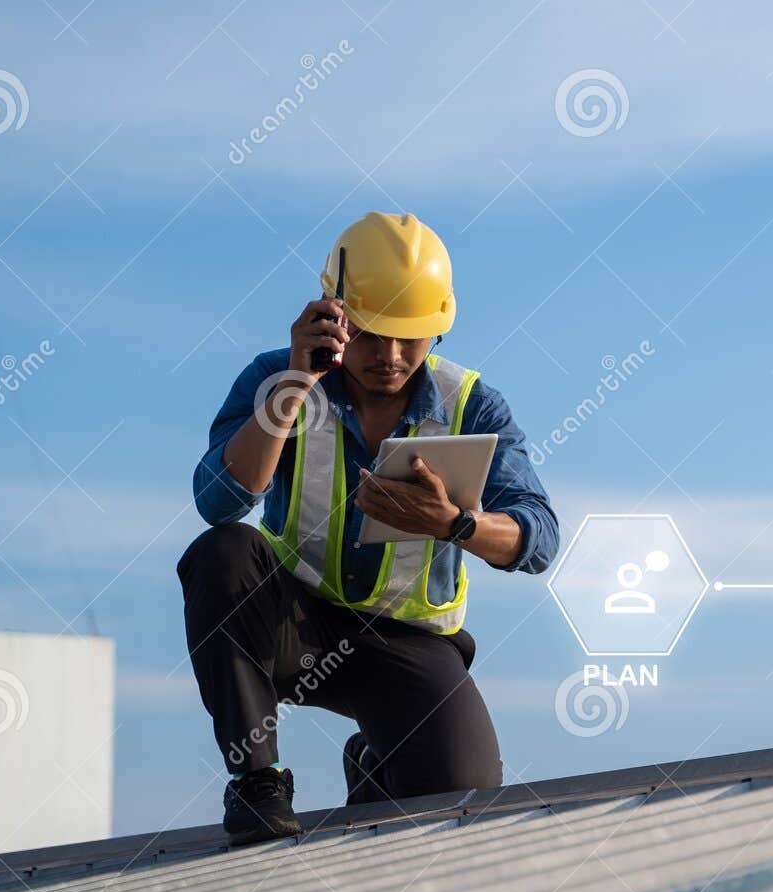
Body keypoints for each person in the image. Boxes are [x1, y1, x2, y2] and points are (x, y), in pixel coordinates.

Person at [179, 212, 558, 847]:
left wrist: (457, 525)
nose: (390, 356)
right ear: (335, 315)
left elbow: (539, 538)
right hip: (290, 630)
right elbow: (219, 502)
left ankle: (377, 763)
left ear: (439, 326)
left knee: (463, 794)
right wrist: (297, 382)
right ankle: (258, 782)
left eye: (412, 338)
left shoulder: (471, 403)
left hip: (405, 649)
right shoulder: (279, 380)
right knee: (222, 553)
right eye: (374, 335)